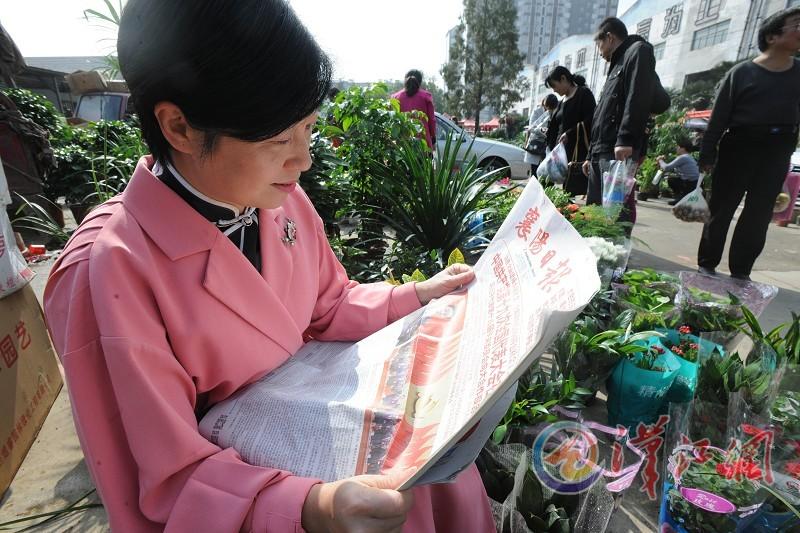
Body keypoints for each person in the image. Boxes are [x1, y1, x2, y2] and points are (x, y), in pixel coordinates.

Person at [42, 1, 494, 532]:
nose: (301, 159)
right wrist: (310, 508)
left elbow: (327, 304)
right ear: (179, 127)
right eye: (279, 139)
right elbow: (157, 481)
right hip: (264, 503)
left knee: (439, 470)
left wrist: (418, 296)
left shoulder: (278, 198)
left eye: (308, 128)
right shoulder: (108, 269)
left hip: (329, 442)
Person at [697, 7, 800, 280]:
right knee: (721, 208)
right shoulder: (742, 73)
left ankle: (741, 271)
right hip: (739, 145)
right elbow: (718, 118)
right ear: (772, 36)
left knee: (758, 213)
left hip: (778, 147)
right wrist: (707, 154)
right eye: (796, 25)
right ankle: (707, 264)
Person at [581, 17, 659, 206]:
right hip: (602, 150)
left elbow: (638, 96)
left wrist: (625, 138)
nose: (599, 52)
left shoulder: (638, 51)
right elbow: (603, 113)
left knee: (614, 214)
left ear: (609, 37)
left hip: (617, 149)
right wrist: (590, 155)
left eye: (599, 44)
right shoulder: (617, 63)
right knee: (595, 211)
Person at [544, 66, 596, 174]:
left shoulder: (583, 94)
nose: (554, 90)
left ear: (563, 79)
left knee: (574, 188)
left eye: (554, 86)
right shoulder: (561, 101)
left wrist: (569, 133)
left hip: (578, 156)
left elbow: (592, 119)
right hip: (561, 158)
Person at [392, 69, 436, 149]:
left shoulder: (395, 97)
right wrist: (433, 136)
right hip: (423, 143)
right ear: (420, 81)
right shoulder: (426, 97)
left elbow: (392, 121)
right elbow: (432, 120)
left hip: (402, 144)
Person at [657, 138, 700, 205]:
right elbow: (673, 168)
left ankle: (680, 199)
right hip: (694, 183)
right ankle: (681, 198)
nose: (676, 148)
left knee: (671, 180)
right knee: (672, 178)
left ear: (683, 148)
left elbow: (666, 167)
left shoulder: (683, 157)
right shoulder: (688, 157)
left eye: (678, 147)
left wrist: (660, 160)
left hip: (691, 184)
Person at [524, 94, 559, 174]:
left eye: (551, 107)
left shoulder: (555, 112)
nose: (549, 109)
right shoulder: (537, 111)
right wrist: (542, 130)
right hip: (536, 144)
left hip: (548, 145)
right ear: (545, 104)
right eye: (548, 107)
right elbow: (531, 127)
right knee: (534, 171)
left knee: (547, 171)